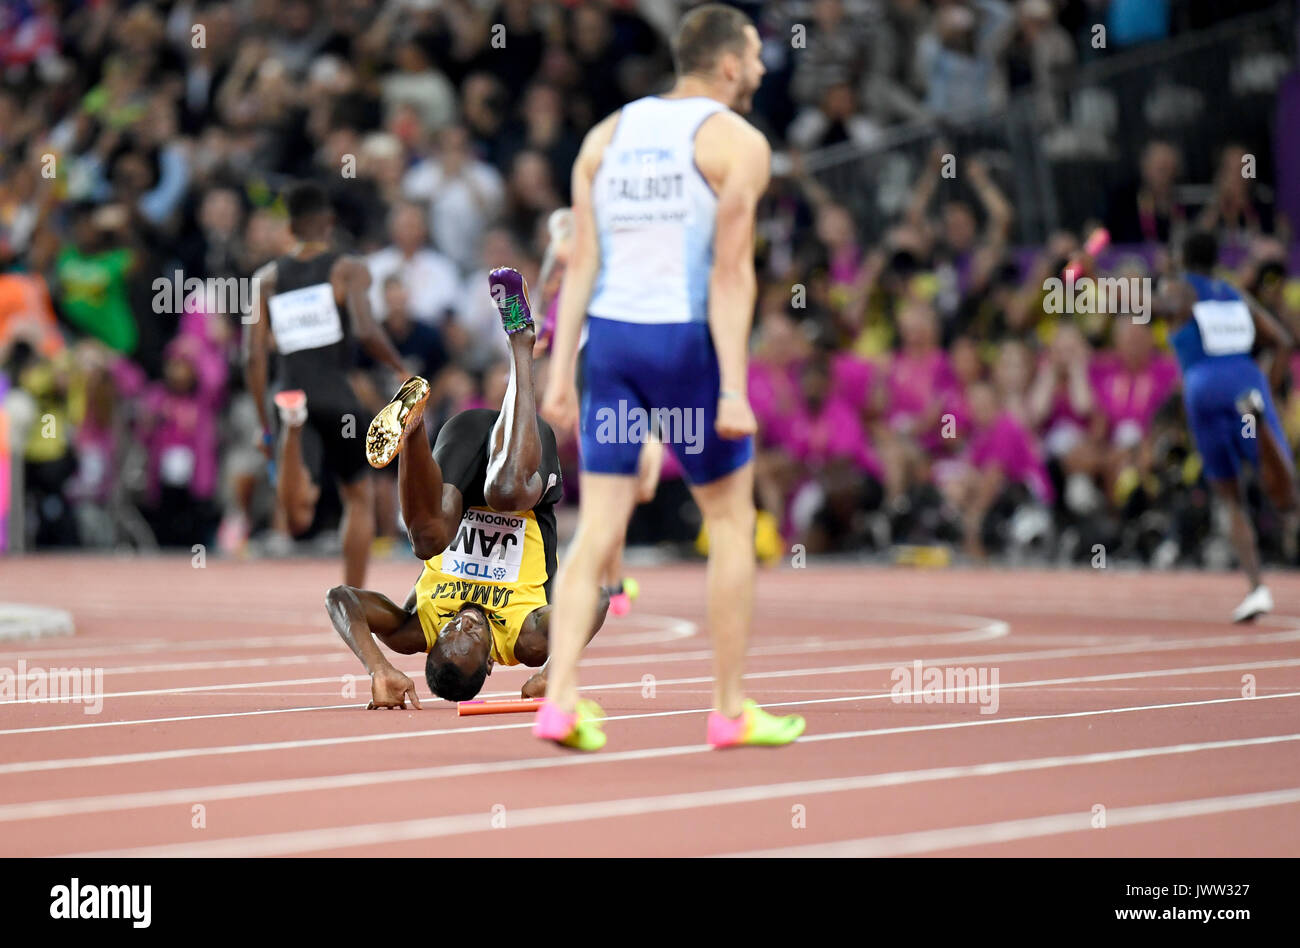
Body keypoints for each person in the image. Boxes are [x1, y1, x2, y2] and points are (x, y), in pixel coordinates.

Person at [537, 4, 806, 751]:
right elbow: (730, 274)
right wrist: (730, 388)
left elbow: (582, 261)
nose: (759, 69)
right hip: (685, 346)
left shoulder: (606, 135)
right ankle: (728, 708)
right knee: (727, 519)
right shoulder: (740, 143)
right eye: (754, 56)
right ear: (727, 63)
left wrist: (562, 374)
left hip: (614, 350)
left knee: (597, 526)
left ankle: (559, 700)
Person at [327, 268, 609, 707]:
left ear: (434, 639)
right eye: (473, 636)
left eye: (450, 631)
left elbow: (341, 598)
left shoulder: (418, 627)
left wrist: (379, 667)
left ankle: (414, 425)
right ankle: (521, 342)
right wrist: (556, 671)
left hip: (463, 449)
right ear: (491, 662)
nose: (463, 623)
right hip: (524, 466)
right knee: (504, 492)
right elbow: (598, 597)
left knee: (426, 541)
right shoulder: (525, 640)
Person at [246, 182, 408, 587]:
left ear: (291, 227)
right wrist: (398, 366)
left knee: (298, 517)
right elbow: (367, 330)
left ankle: (291, 432)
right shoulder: (348, 269)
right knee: (358, 495)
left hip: (289, 392)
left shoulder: (265, 279)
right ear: (329, 222)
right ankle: (353, 592)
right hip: (338, 396)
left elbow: (253, 357)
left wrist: (265, 423)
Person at [1158, 230, 1297, 621]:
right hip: (1245, 383)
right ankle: (1261, 428)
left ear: (1182, 258)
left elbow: (1142, 307)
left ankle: (1257, 589)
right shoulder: (1235, 293)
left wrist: (1093, 280)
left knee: (1230, 496)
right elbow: (1283, 340)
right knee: (1284, 492)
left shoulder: (1181, 291)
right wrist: (1268, 392)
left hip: (1202, 391)